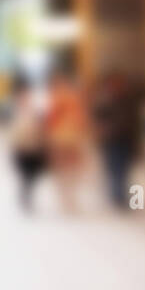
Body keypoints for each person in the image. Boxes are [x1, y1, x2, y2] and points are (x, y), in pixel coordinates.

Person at [91, 69, 143, 211]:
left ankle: (122, 196)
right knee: (113, 168)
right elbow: (98, 119)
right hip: (110, 139)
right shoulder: (104, 100)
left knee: (124, 169)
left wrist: (138, 142)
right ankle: (116, 196)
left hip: (126, 138)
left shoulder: (129, 101)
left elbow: (135, 122)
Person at [45, 70, 87, 214]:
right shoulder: (65, 98)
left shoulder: (61, 98)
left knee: (67, 169)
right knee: (67, 169)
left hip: (66, 138)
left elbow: (79, 119)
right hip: (65, 137)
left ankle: (67, 196)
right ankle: (67, 197)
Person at [8, 74, 49, 213]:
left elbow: (42, 125)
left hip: (34, 146)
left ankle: (27, 191)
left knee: (34, 172)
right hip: (21, 147)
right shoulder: (15, 111)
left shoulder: (36, 109)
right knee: (25, 173)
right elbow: (12, 131)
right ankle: (26, 194)